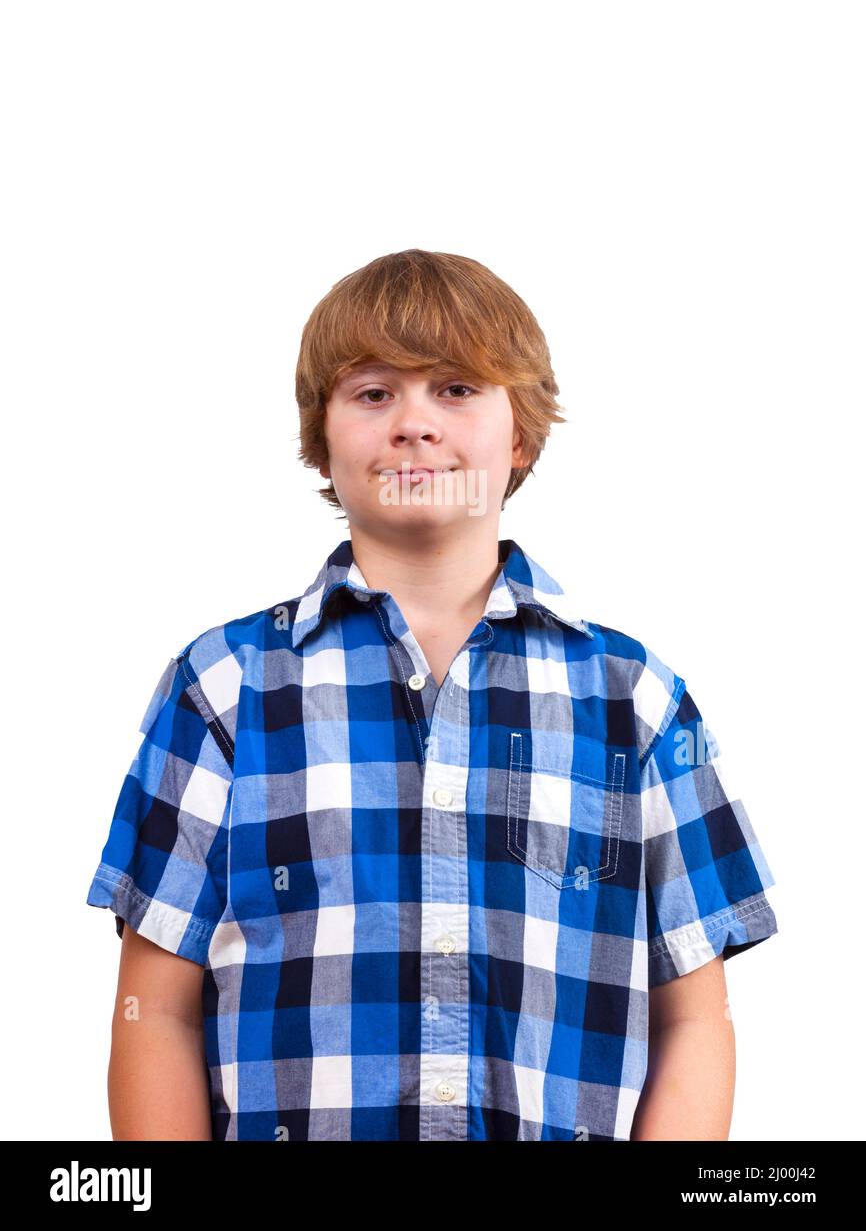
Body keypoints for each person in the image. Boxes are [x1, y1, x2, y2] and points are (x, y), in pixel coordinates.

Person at [86, 248, 779, 1141]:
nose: (414, 424)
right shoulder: (225, 685)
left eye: (456, 389)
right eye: (373, 394)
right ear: (322, 441)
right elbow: (158, 1011)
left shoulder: (635, 700)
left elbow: (694, 1022)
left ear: (520, 433)